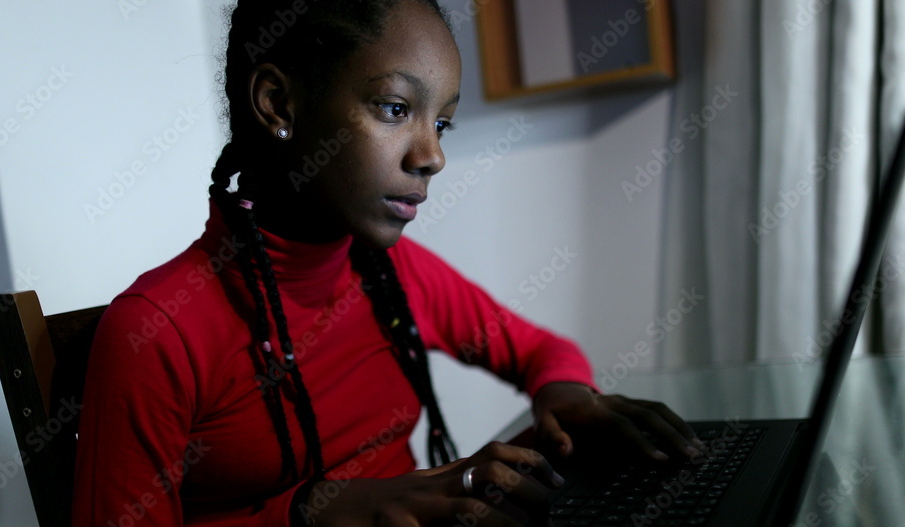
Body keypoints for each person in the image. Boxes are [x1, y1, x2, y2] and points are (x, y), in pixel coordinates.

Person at [72, 1, 702, 525]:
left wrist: (565, 394)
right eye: (396, 108)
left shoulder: (389, 272)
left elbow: (540, 349)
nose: (431, 156)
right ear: (278, 105)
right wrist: (312, 511)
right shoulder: (156, 332)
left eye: (443, 124)